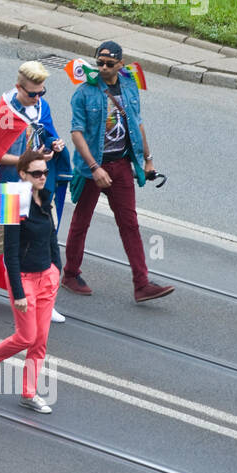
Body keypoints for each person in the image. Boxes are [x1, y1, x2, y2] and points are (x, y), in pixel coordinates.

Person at [64, 41, 174, 303]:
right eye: (99, 63)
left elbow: (138, 123)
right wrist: (94, 167)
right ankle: (70, 273)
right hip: (93, 168)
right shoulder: (84, 93)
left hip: (121, 165)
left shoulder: (129, 87)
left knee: (130, 224)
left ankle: (142, 284)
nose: (102, 68)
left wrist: (148, 160)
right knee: (81, 221)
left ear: (120, 64)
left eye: (109, 64)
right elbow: (76, 133)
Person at [0, 149, 62, 414]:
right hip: (24, 279)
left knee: (40, 341)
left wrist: (56, 269)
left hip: (47, 278)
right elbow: (10, 252)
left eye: (45, 172)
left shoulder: (45, 198)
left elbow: (51, 237)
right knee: (27, 336)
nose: (42, 177)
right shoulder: (14, 202)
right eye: (36, 173)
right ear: (23, 174)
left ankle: (29, 392)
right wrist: (18, 292)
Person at [0, 61, 71, 321]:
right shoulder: (5, 112)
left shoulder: (41, 107)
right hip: (10, 186)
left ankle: (47, 300)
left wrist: (54, 144)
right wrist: (31, 159)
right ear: (18, 88)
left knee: (47, 238)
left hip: (38, 185)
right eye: (32, 93)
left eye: (41, 92)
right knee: (2, 243)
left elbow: (47, 134)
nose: (37, 98)